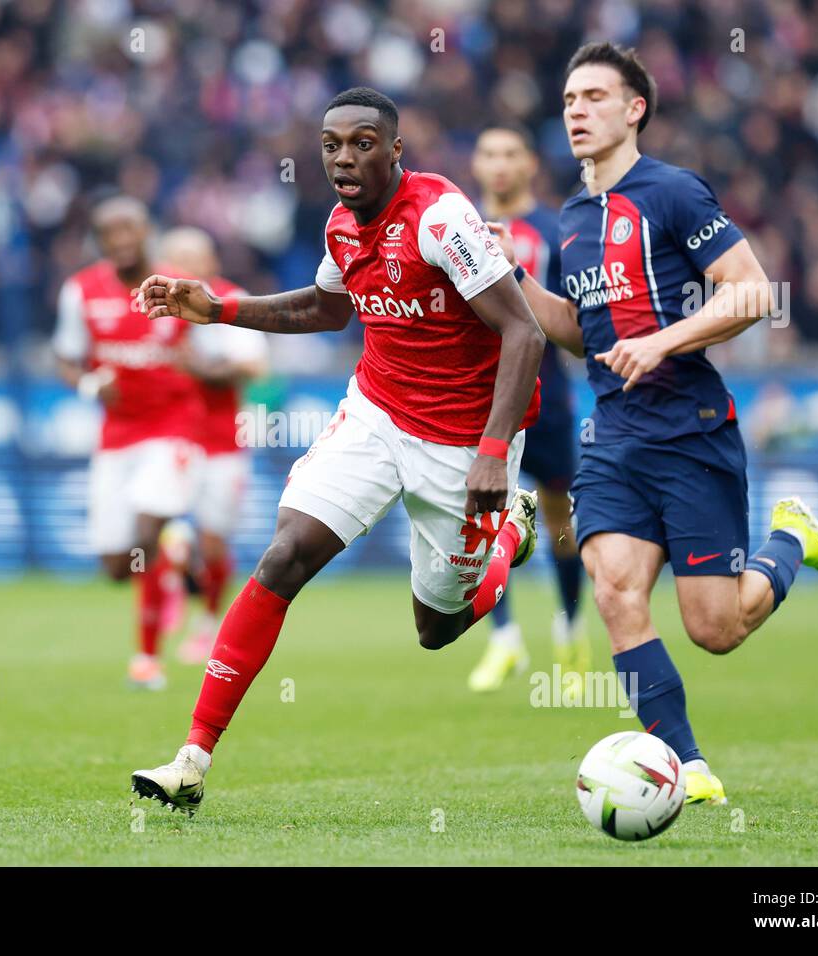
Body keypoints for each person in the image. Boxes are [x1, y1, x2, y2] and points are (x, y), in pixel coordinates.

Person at [129, 87, 545, 813]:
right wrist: (217, 308)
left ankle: (512, 534)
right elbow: (326, 308)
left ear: (394, 150)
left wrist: (491, 448)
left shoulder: (442, 218)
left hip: (463, 442)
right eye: (331, 145)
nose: (344, 158)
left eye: (361, 143)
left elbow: (525, 333)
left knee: (437, 628)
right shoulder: (340, 228)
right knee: (284, 554)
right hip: (378, 414)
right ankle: (192, 757)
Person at [494, 43, 818, 806]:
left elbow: (753, 293)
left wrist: (660, 340)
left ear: (635, 111)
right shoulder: (571, 216)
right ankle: (683, 764)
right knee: (615, 588)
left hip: (691, 431)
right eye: (567, 100)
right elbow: (576, 330)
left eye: (594, 97)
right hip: (614, 435)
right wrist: (516, 278)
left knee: (714, 628)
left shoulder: (674, 193)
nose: (577, 111)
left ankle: (792, 540)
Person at [52, 196, 202, 691]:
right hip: (116, 437)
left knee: (144, 532)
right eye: (108, 233)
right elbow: (67, 358)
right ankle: (175, 548)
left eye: (128, 230)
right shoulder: (81, 291)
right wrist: (92, 385)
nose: (119, 240)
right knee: (118, 565)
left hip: (172, 430)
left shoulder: (174, 286)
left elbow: (210, 347)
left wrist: (199, 366)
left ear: (146, 232)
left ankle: (146, 660)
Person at [467, 124, 589, 693]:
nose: (499, 165)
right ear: (475, 163)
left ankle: (570, 627)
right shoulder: (457, 225)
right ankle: (505, 638)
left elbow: (572, 317)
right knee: (482, 516)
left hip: (548, 395)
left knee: (559, 515)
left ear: (530, 164)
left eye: (510, 154)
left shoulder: (554, 230)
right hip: (480, 394)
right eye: (489, 153)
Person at [156, 227, 270, 665]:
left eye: (192, 258)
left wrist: (201, 368)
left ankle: (206, 621)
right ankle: (170, 581)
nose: (183, 267)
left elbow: (256, 366)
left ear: (211, 263)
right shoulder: (151, 302)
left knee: (213, 540)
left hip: (221, 441)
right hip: (167, 435)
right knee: (157, 518)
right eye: (175, 257)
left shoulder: (227, 300)